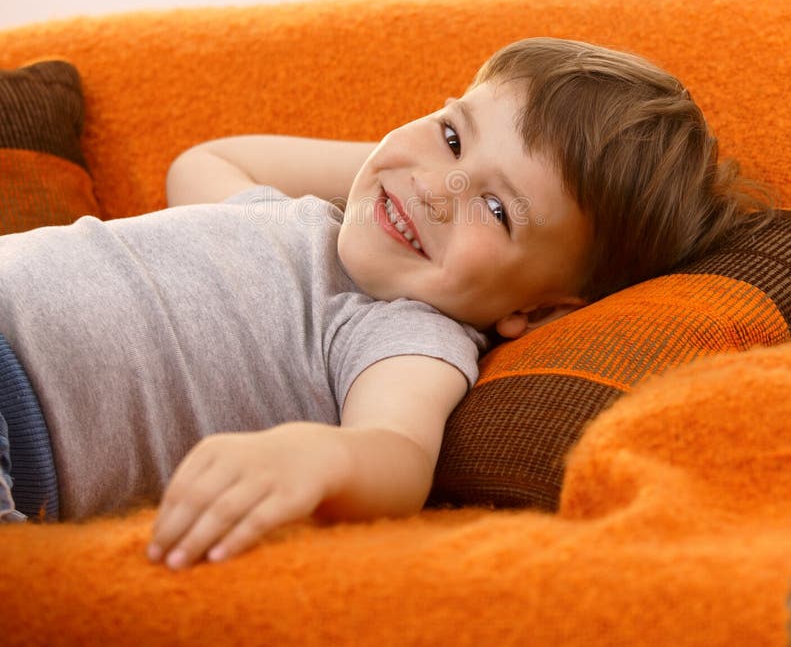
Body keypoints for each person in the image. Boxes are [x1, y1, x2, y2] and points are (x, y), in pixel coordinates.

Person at [0, 37, 770, 572]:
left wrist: (318, 456)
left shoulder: (407, 331)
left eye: (498, 212)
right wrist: (396, 164)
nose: (437, 189)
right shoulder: (284, 212)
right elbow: (205, 161)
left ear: (533, 315)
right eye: (451, 135)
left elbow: (398, 455)